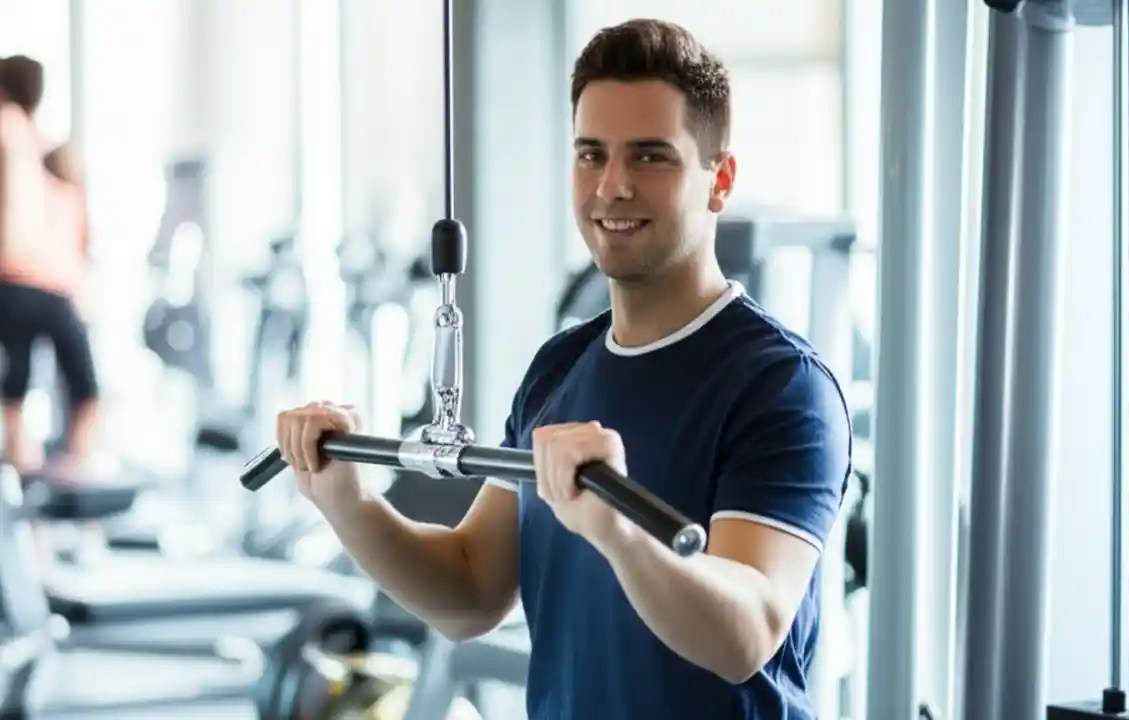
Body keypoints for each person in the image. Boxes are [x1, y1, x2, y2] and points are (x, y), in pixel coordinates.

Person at [275, 18, 851, 719]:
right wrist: (347, 502)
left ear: (718, 179)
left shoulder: (781, 386)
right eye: (591, 154)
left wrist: (620, 532)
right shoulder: (561, 365)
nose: (612, 186)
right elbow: (470, 591)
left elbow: (749, 632)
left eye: (650, 157)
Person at [0, 55, 98, 474]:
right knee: (81, 390)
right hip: (54, 287)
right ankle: (65, 474)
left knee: (19, 388)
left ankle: (33, 477)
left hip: (20, 282)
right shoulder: (53, 150)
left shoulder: (13, 134)